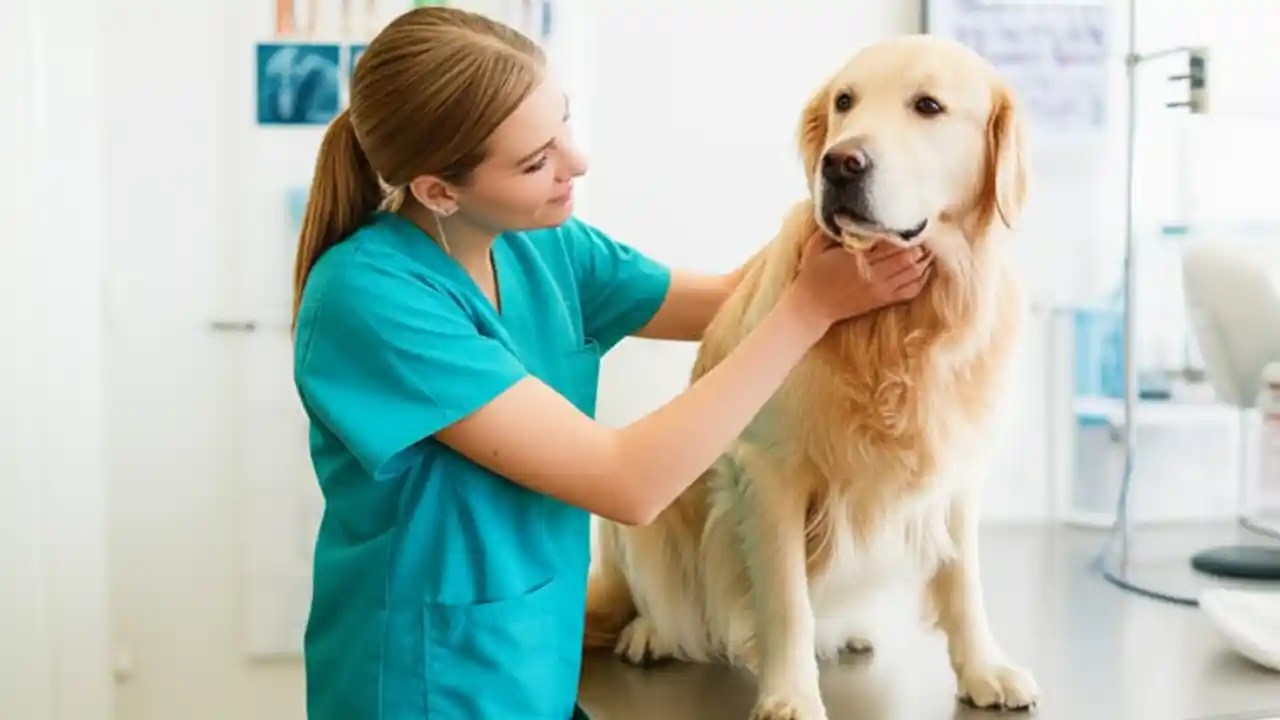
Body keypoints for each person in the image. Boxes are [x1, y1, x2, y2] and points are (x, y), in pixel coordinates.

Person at [290, 7, 933, 720]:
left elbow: (726, 300)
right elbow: (628, 482)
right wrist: (809, 309)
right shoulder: (370, 298)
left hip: (537, 671)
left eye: (563, 123)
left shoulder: (541, 243)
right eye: (537, 161)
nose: (576, 161)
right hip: (428, 687)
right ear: (439, 190)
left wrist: (852, 203)